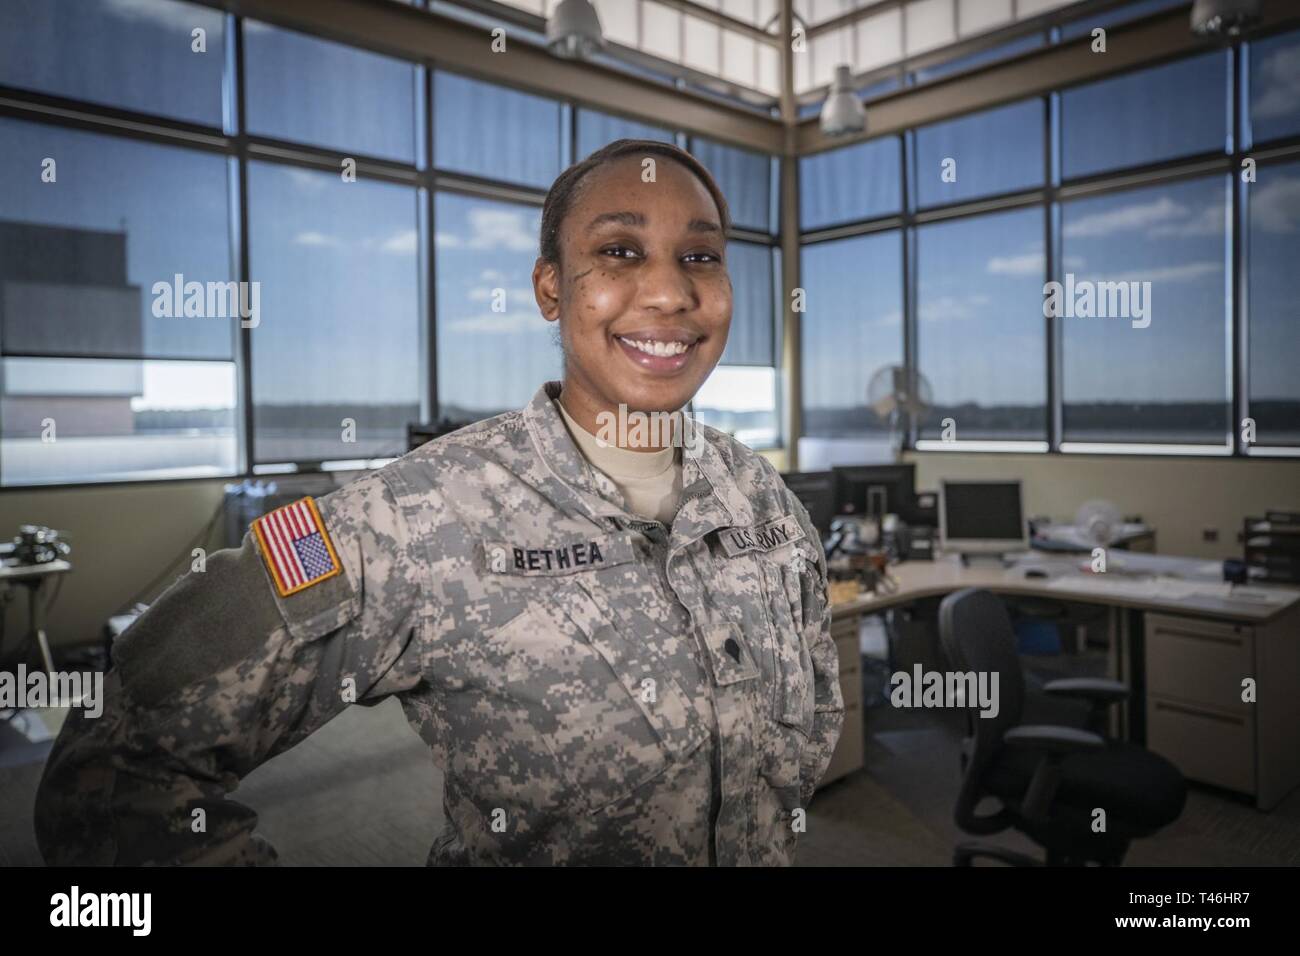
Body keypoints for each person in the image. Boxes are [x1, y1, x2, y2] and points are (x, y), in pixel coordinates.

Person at [35, 139, 844, 866]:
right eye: (620, 251)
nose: (670, 292)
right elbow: (116, 764)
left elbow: (805, 747)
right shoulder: (412, 515)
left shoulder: (762, 502)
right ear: (550, 288)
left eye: (700, 257)